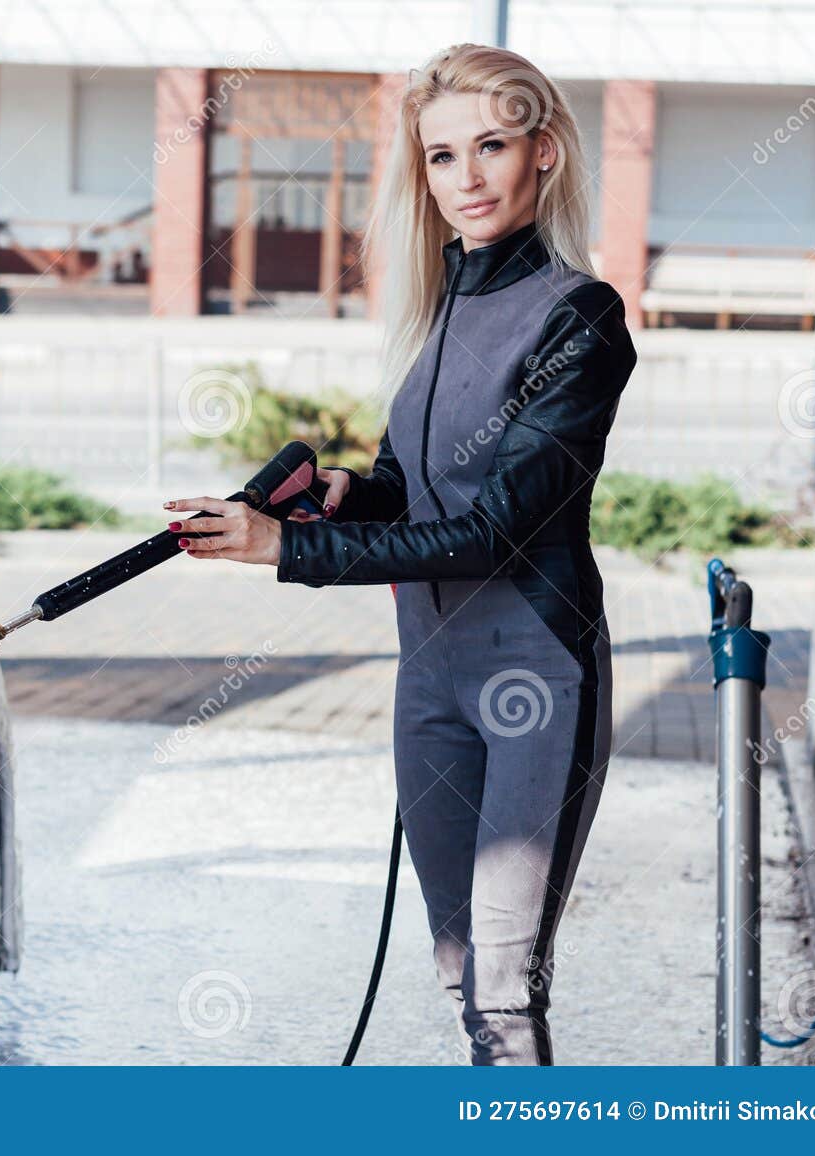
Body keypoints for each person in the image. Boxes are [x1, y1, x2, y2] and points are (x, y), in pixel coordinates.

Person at [163, 43, 638, 1065]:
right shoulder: (443, 304)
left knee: (505, 995)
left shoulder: (580, 318)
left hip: (535, 676)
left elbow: (494, 529)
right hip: (430, 680)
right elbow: (408, 483)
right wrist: (344, 496)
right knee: (460, 973)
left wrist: (284, 548)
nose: (464, 178)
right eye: (438, 157)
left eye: (491, 146)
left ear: (544, 152)